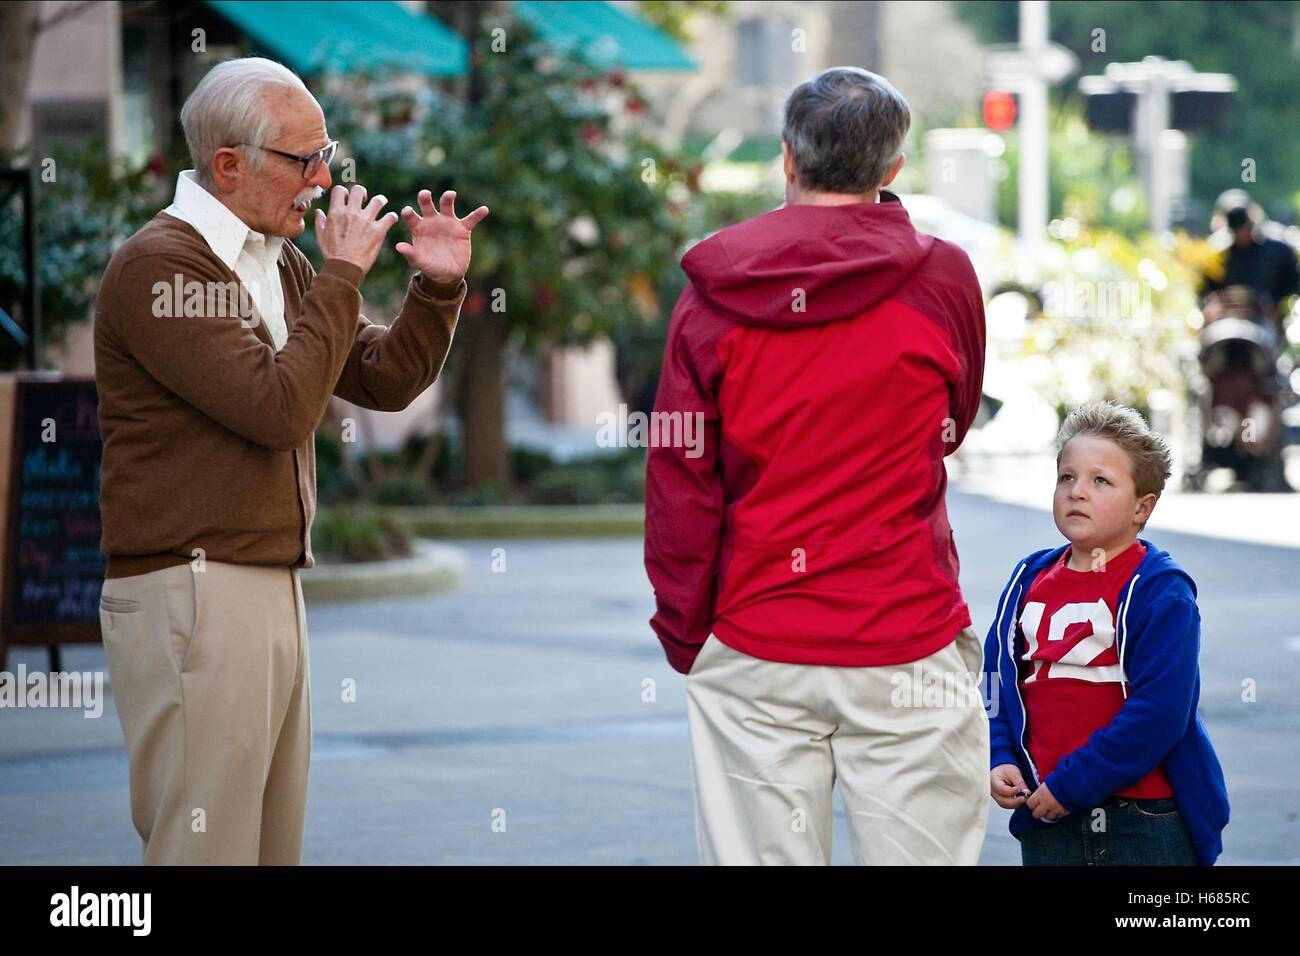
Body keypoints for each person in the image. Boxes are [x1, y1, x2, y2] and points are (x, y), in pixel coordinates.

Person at [93, 57, 487, 865]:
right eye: (302, 161)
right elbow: (277, 410)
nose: (321, 179)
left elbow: (377, 377)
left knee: (271, 850)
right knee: (204, 849)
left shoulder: (277, 257)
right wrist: (342, 273)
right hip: (193, 589)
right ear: (228, 165)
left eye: (325, 155)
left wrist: (437, 292)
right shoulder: (162, 266)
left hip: (266, 585)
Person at [644, 66, 988, 865]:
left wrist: (691, 631)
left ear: (787, 160)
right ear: (893, 171)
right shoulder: (943, 279)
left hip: (759, 636)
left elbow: (681, 480)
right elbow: (952, 423)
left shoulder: (712, 294)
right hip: (906, 631)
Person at [983, 401, 1230, 865]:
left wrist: (1074, 783)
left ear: (1143, 507)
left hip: (1144, 821)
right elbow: (998, 681)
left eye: (1101, 481)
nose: (1077, 492)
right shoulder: (1026, 581)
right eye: (1067, 477)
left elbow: (1160, 713)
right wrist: (1002, 757)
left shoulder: (1159, 589)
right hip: (1048, 817)